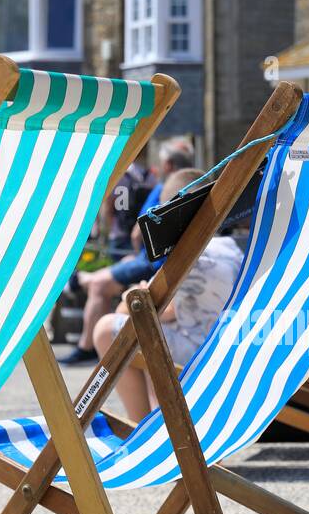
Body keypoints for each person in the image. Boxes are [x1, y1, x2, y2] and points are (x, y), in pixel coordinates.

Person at [91, 169, 245, 421]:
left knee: (107, 329)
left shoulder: (186, 257)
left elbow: (136, 311)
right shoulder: (232, 248)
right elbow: (175, 308)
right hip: (233, 351)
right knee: (155, 326)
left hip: (202, 357)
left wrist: (133, 294)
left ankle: (141, 425)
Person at [60, 138, 195, 364]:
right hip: (168, 259)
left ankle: (87, 346)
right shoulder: (188, 183)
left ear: (169, 165)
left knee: (98, 285)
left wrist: (138, 252)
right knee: (106, 277)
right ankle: (80, 280)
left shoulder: (163, 187)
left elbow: (137, 232)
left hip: (151, 260)